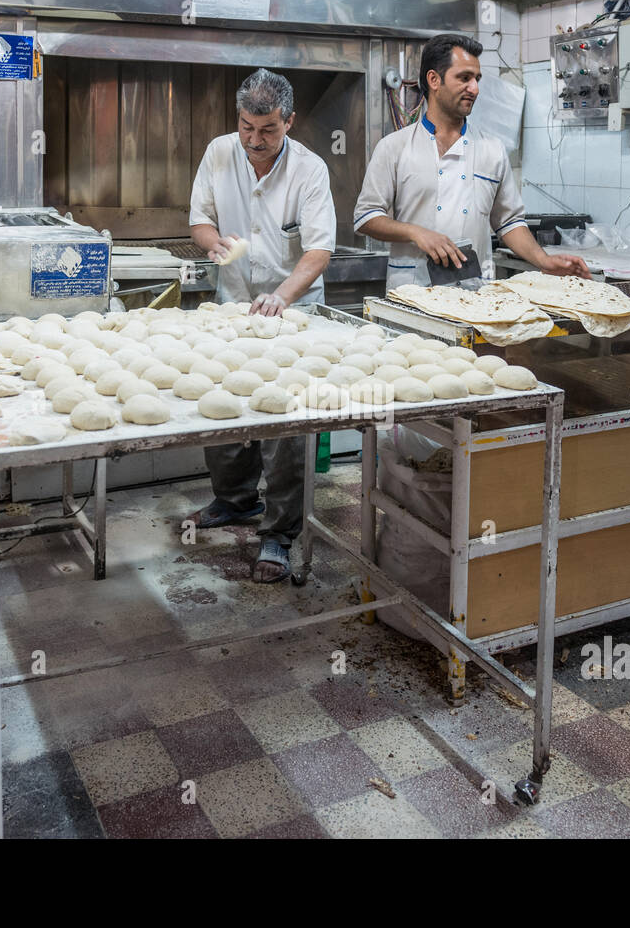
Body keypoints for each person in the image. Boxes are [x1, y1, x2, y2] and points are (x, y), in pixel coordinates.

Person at [186, 68, 337, 583]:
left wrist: (282, 296)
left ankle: (279, 533)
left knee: (284, 427)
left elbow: (318, 250)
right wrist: (213, 244)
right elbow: (200, 219)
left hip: (291, 314)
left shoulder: (310, 171)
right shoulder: (219, 152)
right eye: (247, 127)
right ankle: (234, 501)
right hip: (233, 304)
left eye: (268, 130)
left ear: (289, 121)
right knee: (224, 412)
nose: (255, 140)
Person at [354, 33, 589, 288]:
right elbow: (366, 217)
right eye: (464, 78)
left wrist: (544, 260)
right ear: (434, 79)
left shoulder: (492, 149)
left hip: (474, 292)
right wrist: (416, 232)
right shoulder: (394, 147)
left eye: (476, 79)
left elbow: (509, 222)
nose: (475, 89)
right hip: (413, 288)